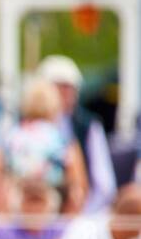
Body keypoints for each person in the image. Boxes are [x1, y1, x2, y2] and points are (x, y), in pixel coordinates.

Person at [0, 79, 87, 214]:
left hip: (16, 215)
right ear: (55, 105)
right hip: (53, 216)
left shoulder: (9, 138)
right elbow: (78, 188)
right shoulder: (63, 141)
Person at [37, 55, 117, 213]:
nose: (67, 94)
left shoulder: (87, 126)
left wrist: (81, 217)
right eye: (60, 87)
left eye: (70, 88)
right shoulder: (23, 128)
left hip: (81, 216)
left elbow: (104, 185)